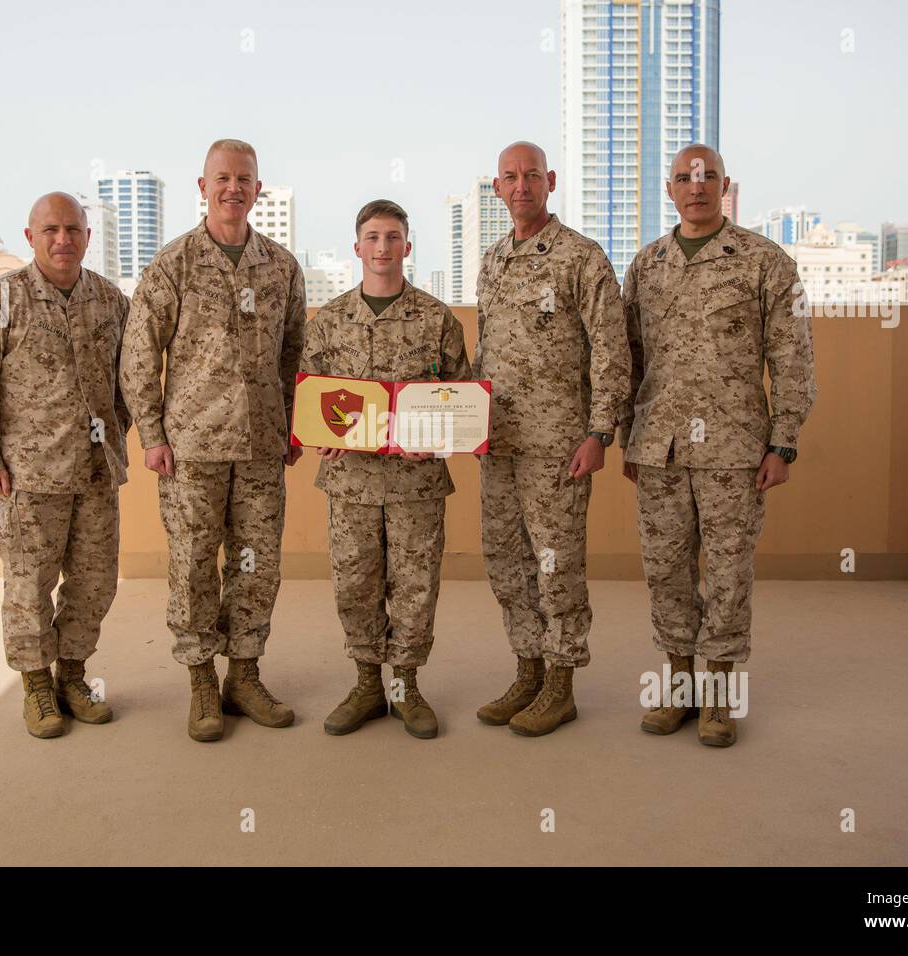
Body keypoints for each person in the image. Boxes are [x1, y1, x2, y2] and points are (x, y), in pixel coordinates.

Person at [618, 144, 816, 747]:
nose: (695, 187)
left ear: (724, 185)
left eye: (706, 178)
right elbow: (628, 358)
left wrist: (783, 443)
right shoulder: (646, 266)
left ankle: (721, 696)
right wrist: (629, 438)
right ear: (670, 189)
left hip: (734, 448)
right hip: (660, 448)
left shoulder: (764, 262)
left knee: (728, 573)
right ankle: (679, 688)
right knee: (667, 571)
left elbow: (792, 356)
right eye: (683, 178)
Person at [119, 139, 306, 743]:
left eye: (244, 179)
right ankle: (201, 678)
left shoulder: (281, 266)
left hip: (259, 448)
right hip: (192, 448)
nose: (233, 188)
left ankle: (244, 676)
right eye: (221, 178)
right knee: (194, 563)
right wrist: (152, 433)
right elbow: (139, 356)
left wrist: (291, 422)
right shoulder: (173, 264)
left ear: (258, 188)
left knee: (257, 566)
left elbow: (294, 354)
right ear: (203, 187)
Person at [0, 191, 129, 738]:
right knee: (29, 584)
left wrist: (116, 435)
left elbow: (131, 379)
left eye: (73, 229)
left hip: (97, 473)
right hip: (29, 474)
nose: (62, 239)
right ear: (30, 237)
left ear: (87, 237)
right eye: (50, 230)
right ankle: (35, 685)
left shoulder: (111, 301)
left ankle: (72, 676)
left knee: (94, 582)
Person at [473, 142, 631, 737]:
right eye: (510, 177)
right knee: (506, 562)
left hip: (558, 447)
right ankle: (528, 669)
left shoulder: (581, 258)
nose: (521, 186)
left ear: (551, 181)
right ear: (497, 188)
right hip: (499, 443)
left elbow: (611, 352)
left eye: (532, 175)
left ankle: (561, 684)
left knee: (554, 563)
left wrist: (600, 432)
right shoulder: (492, 261)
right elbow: (486, 352)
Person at [301, 200, 472, 739]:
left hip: (415, 484)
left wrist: (437, 441)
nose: (382, 247)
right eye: (372, 237)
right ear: (357, 247)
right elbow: (310, 395)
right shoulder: (328, 321)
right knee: (355, 582)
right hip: (350, 483)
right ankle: (367, 684)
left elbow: (460, 396)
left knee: (416, 585)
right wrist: (321, 436)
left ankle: (406, 686)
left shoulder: (436, 318)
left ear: (407, 246)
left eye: (392, 236)